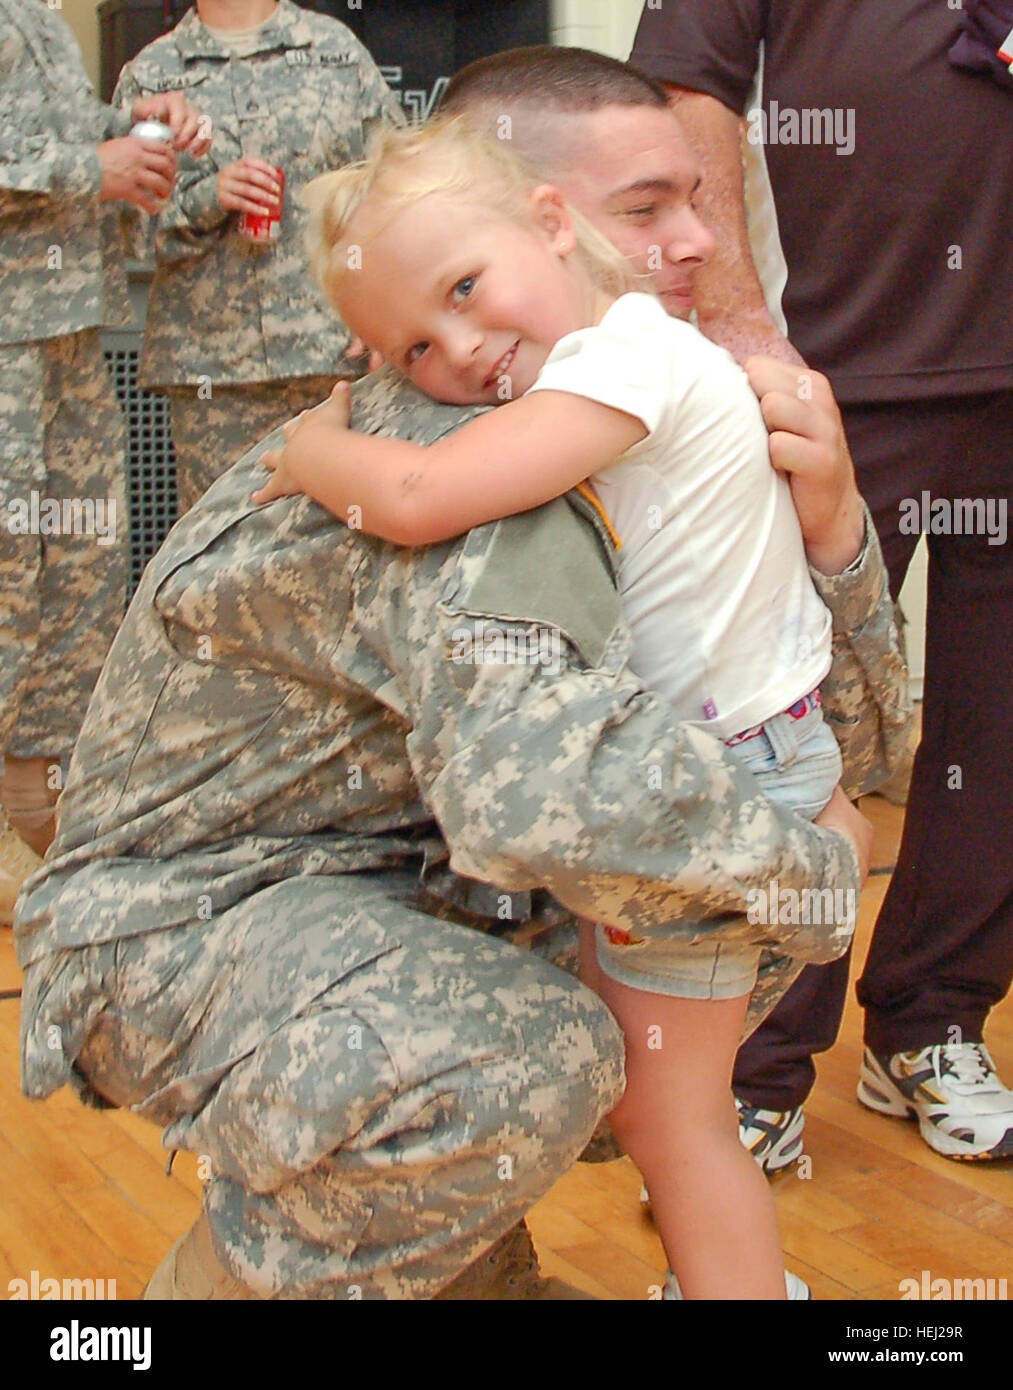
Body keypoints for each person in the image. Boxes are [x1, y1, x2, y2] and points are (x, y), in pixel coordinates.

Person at [15, 48, 904, 1301]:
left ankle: (437, 1245)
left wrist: (831, 532)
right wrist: (815, 870)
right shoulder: (485, 452)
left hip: (391, 888)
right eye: (645, 209)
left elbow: (846, 742)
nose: (700, 242)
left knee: (677, 926)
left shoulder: (628, 404)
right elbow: (537, 793)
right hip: (184, 918)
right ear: (536, 218)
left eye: (699, 198)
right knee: (544, 1036)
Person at [250, 115, 859, 1299]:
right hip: (754, 748)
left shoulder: (618, 362)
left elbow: (423, 494)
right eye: (415, 344)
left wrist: (314, 449)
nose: (463, 348)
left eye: (467, 287)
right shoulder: (633, 347)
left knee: (673, 1124)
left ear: (546, 222)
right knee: (672, 1101)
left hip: (716, 776)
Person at [631, 0, 1013, 1163]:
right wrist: (739, 316)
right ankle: (752, 1068)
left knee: (994, 727)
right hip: (833, 371)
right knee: (789, 723)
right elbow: (687, 91)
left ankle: (931, 1019)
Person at [0, 0, 208, 920]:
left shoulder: (33, 16)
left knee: (75, 585)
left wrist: (132, 125)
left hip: (65, 332)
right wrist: (90, 168)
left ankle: (38, 813)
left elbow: (42, 129)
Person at [111, 0, 402, 515]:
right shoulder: (153, 73)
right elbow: (126, 229)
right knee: (218, 548)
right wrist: (208, 198)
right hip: (215, 371)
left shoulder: (334, 51)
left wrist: (389, 317)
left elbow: (395, 187)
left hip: (335, 353)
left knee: (345, 537)